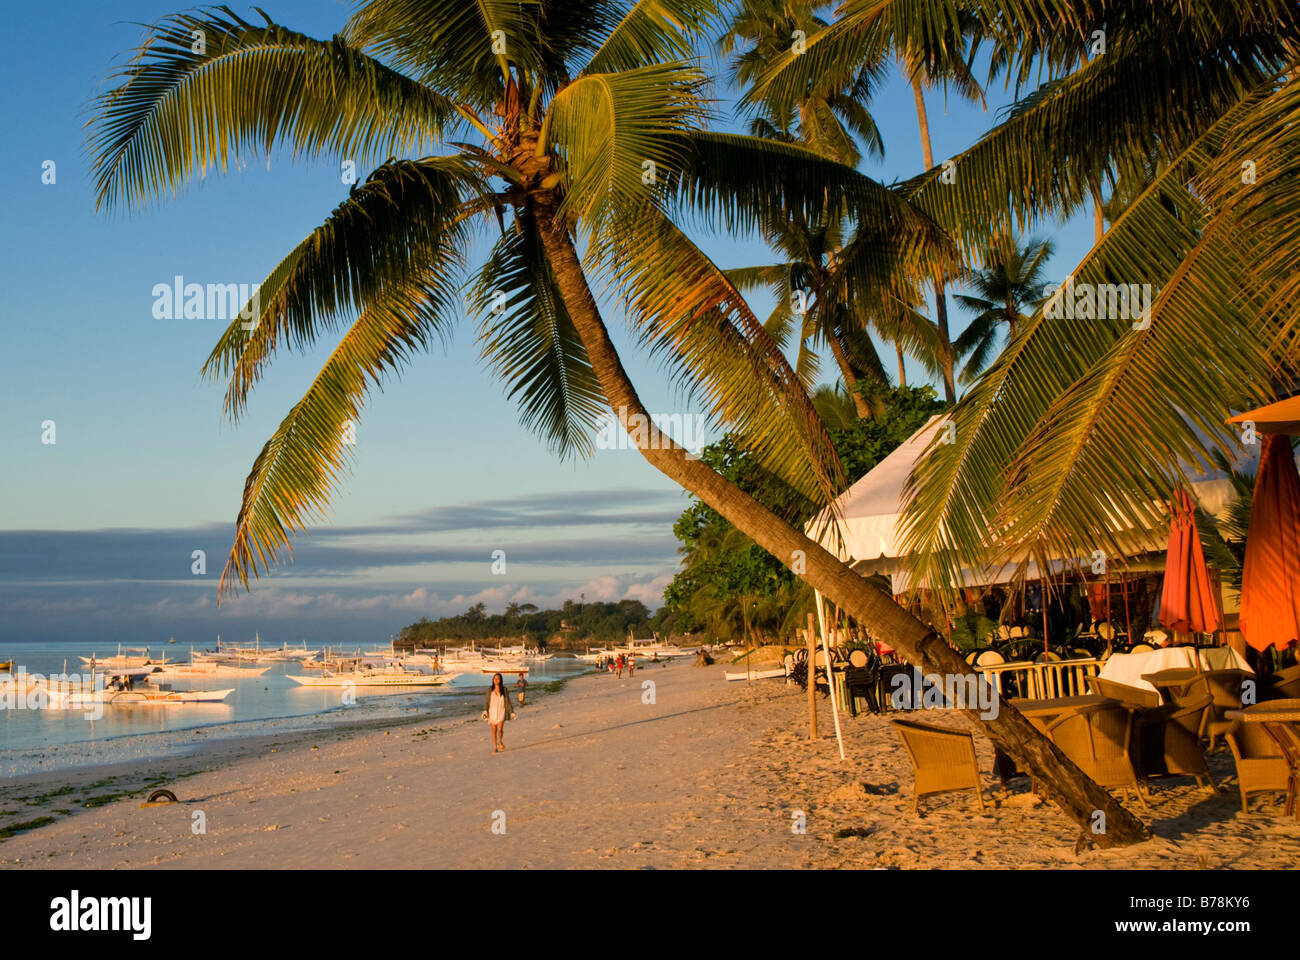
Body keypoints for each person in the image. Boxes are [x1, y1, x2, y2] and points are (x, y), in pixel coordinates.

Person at [482, 672, 516, 753]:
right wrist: (485, 711)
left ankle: (500, 741)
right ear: (493, 680)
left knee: (500, 730)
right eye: (495, 678)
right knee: (493, 730)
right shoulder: (489, 690)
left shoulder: (504, 690)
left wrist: (511, 712)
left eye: (498, 678)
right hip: (492, 712)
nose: (496, 680)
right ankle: (495, 747)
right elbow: (487, 702)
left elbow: (508, 701)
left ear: (500, 680)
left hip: (501, 711)